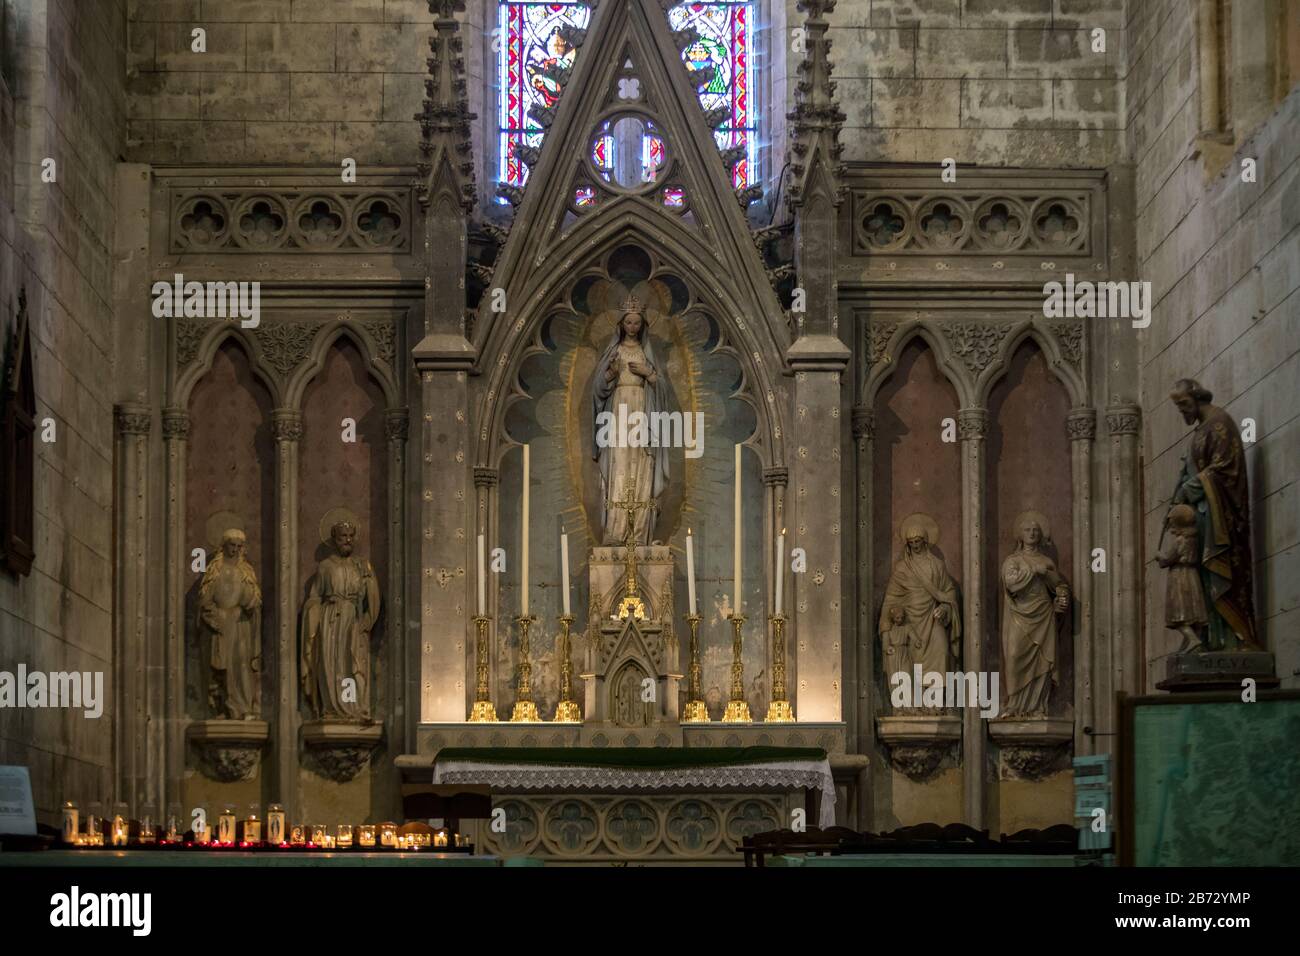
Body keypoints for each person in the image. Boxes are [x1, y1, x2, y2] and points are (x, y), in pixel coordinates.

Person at [1168, 379, 1259, 650]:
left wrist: (1189, 487)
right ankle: (1209, 640)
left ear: (1197, 399)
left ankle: (1233, 640)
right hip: (1204, 518)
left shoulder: (1221, 424)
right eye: (1179, 407)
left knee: (1221, 578)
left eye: (1184, 405)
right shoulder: (1200, 431)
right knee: (1203, 582)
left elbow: (1224, 470)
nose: (1183, 412)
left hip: (1222, 522)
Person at [591, 300, 669, 545]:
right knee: (619, 469)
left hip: (643, 415)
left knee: (643, 467)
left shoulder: (648, 354)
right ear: (621, 324)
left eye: (636, 322)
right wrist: (612, 373)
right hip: (618, 413)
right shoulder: (614, 351)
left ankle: (639, 536)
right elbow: (597, 389)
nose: (632, 326)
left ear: (642, 324)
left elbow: (662, 391)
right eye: (628, 322)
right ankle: (615, 533)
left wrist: (649, 374)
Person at [300, 520, 381, 720]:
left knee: (352, 665)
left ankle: (352, 706)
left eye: (351, 536)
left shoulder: (361, 565)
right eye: (343, 536)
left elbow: (373, 596)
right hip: (330, 621)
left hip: (353, 619)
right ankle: (333, 708)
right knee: (332, 664)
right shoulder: (325, 567)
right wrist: (313, 616)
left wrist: (368, 620)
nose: (348, 540)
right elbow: (315, 596)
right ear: (335, 540)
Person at [1000, 514, 1069, 717]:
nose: (1032, 533)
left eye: (1036, 530)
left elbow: (1058, 586)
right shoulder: (1012, 561)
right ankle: (1014, 704)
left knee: (1042, 660)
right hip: (1018, 616)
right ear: (1020, 536)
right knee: (1013, 655)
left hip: (1044, 615)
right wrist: (1034, 570)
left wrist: (1062, 598)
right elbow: (1011, 583)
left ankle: (1038, 706)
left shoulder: (1046, 561)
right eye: (1028, 530)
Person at [197, 528, 262, 719]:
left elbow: (255, 600)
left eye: (238, 546)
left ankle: (243, 708)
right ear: (223, 547)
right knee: (222, 667)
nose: (235, 550)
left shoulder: (246, 572)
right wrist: (213, 616)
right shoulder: (215, 570)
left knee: (241, 666)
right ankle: (224, 708)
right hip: (221, 625)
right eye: (231, 545)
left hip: (241, 625)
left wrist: (250, 601)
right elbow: (204, 600)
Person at [1157, 504, 1209, 653]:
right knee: (1193, 612)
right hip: (1191, 575)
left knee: (1179, 614)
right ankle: (1191, 644)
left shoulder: (1180, 540)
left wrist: (1159, 555)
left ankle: (1193, 640)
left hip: (1180, 576)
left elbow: (1168, 559)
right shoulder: (1192, 538)